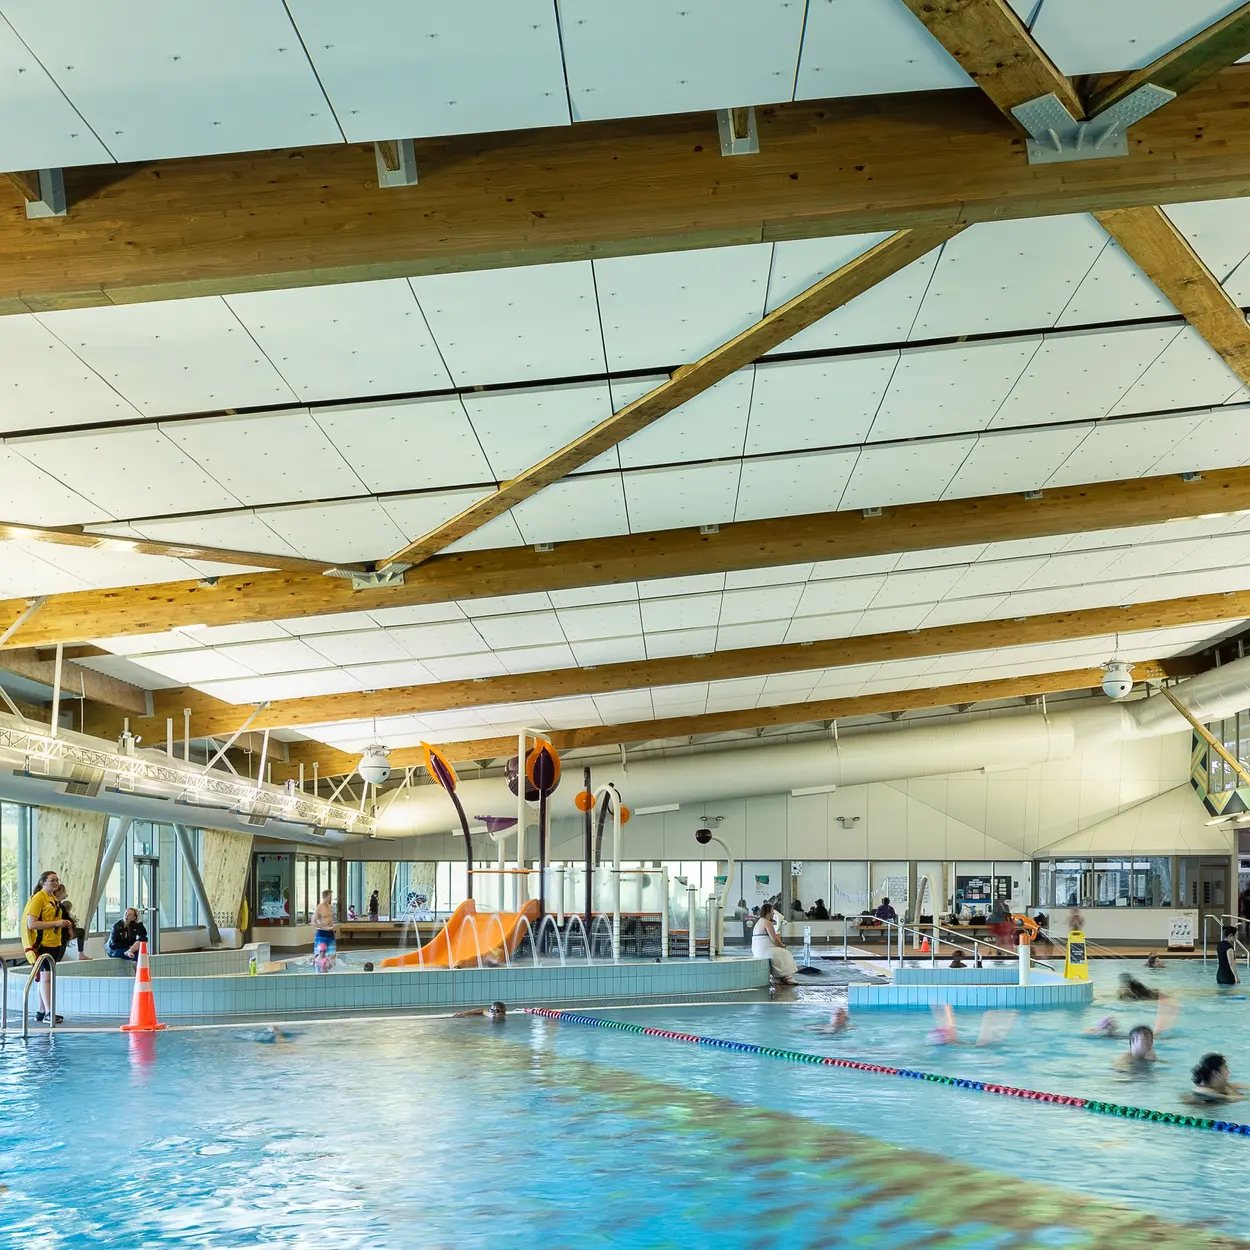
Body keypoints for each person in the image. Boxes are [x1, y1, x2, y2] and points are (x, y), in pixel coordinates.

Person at [22, 869, 69, 1022]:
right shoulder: (38, 899)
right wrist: (56, 923)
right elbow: (32, 924)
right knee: (46, 979)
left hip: (54, 943)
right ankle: (49, 1012)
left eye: (57, 880)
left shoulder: (52, 899)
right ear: (43, 882)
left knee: (45, 979)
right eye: (52, 880)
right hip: (42, 945)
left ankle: (41, 1012)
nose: (56, 883)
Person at [752, 903, 798, 985]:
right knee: (785, 953)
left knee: (780, 952)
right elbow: (774, 940)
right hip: (765, 951)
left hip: (757, 950)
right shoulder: (767, 923)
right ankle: (787, 977)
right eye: (772, 911)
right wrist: (782, 946)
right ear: (768, 912)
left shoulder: (759, 922)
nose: (773, 913)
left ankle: (778, 977)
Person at [51, 884, 85, 961]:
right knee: (56, 960)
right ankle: (81, 954)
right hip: (60, 936)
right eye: (64, 891)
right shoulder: (57, 906)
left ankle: (81, 954)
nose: (66, 894)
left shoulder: (57, 905)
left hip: (60, 935)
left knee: (55, 960)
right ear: (59, 892)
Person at [313, 889, 337, 959]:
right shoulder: (320, 907)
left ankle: (330, 968)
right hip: (321, 933)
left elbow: (330, 920)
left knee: (332, 955)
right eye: (330, 897)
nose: (331, 898)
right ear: (325, 897)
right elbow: (313, 922)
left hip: (330, 933)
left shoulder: (330, 907)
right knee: (319, 955)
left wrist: (331, 927)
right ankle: (318, 968)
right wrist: (324, 928)